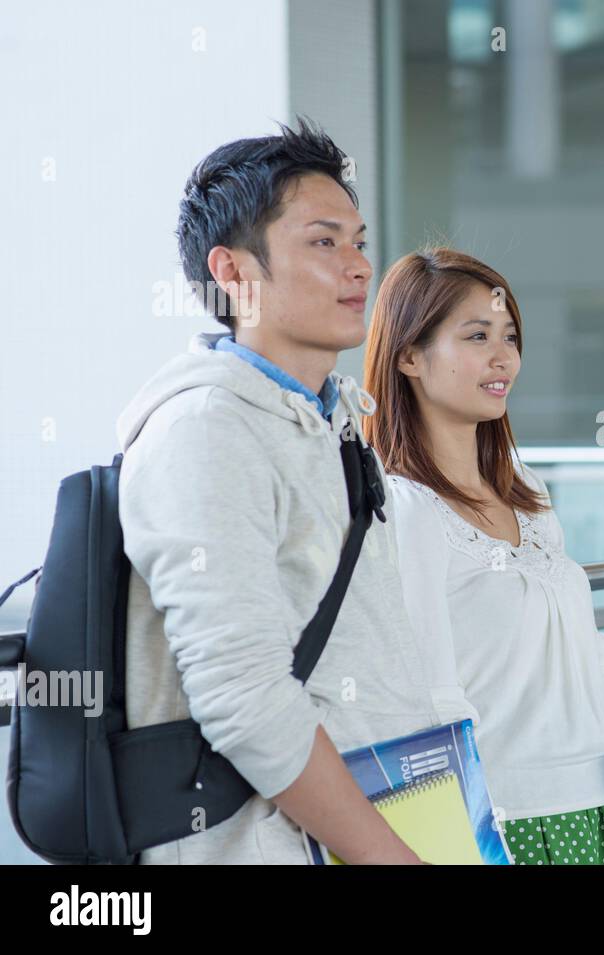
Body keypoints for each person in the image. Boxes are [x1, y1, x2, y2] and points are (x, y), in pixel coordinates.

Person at [117, 119, 476, 864]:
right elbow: (243, 697)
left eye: (359, 239)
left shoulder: (332, 420)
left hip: (376, 824)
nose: (359, 266)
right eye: (323, 241)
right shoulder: (206, 428)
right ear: (233, 270)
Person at [362, 247, 604, 865]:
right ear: (408, 355)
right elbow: (435, 700)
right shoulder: (404, 508)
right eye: (478, 336)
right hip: (512, 828)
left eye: (510, 337)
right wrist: (471, 842)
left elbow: (597, 662)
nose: (504, 358)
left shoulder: (528, 489)